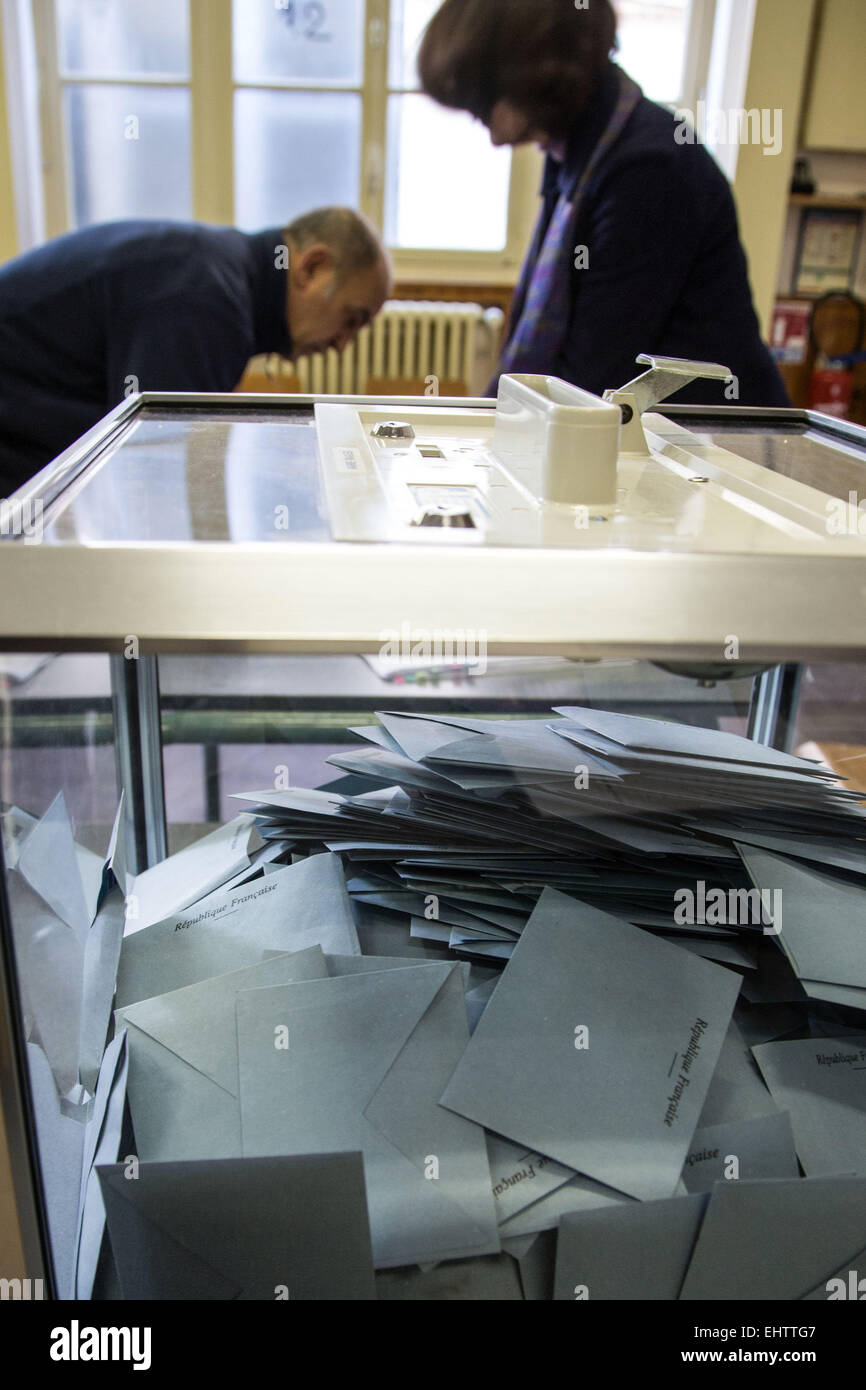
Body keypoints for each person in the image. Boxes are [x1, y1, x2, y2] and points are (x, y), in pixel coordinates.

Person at [419, 0, 789, 407]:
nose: (492, 137)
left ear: (532, 76)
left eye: (483, 108)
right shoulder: (578, 152)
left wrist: (487, 431)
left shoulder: (650, 167)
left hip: (719, 446)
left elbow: (585, 383)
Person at [0, 206, 392, 496]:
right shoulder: (208, 298)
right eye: (351, 319)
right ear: (311, 268)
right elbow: (153, 476)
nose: (343, 345)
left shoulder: (221, 273)